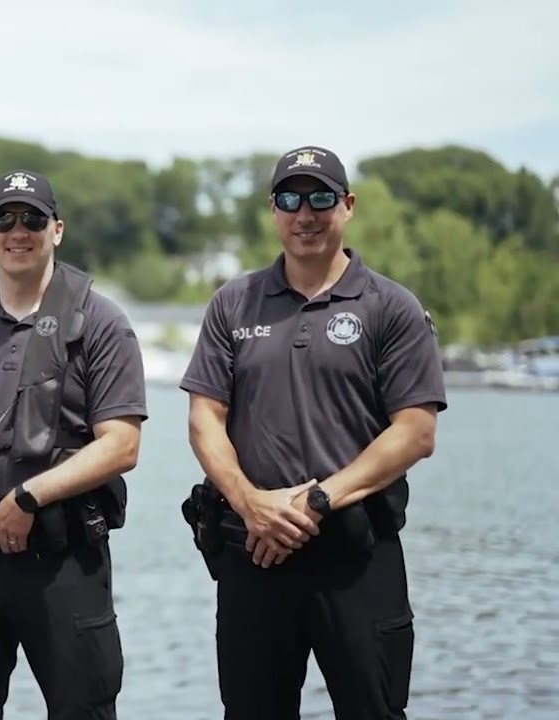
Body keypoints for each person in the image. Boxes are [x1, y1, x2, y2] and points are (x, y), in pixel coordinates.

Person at [178, 145, 447, 719]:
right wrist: (251, 504)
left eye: (321, 197)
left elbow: (415, 432)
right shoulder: (233, 303)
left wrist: (315, 502)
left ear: (346, 206)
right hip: (254, 554)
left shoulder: (390, 308)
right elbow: (204, 421)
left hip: (356, 558)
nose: (306, 214)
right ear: (273, 210)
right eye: (290, 199)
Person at [0, 169, 147, 719]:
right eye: (4, 219)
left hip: (62, 562)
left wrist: (29, 498)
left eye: (33, 218)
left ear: (56, 230)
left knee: (83, 708)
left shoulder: (101, 322)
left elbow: (122, 444)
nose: (19, 231)